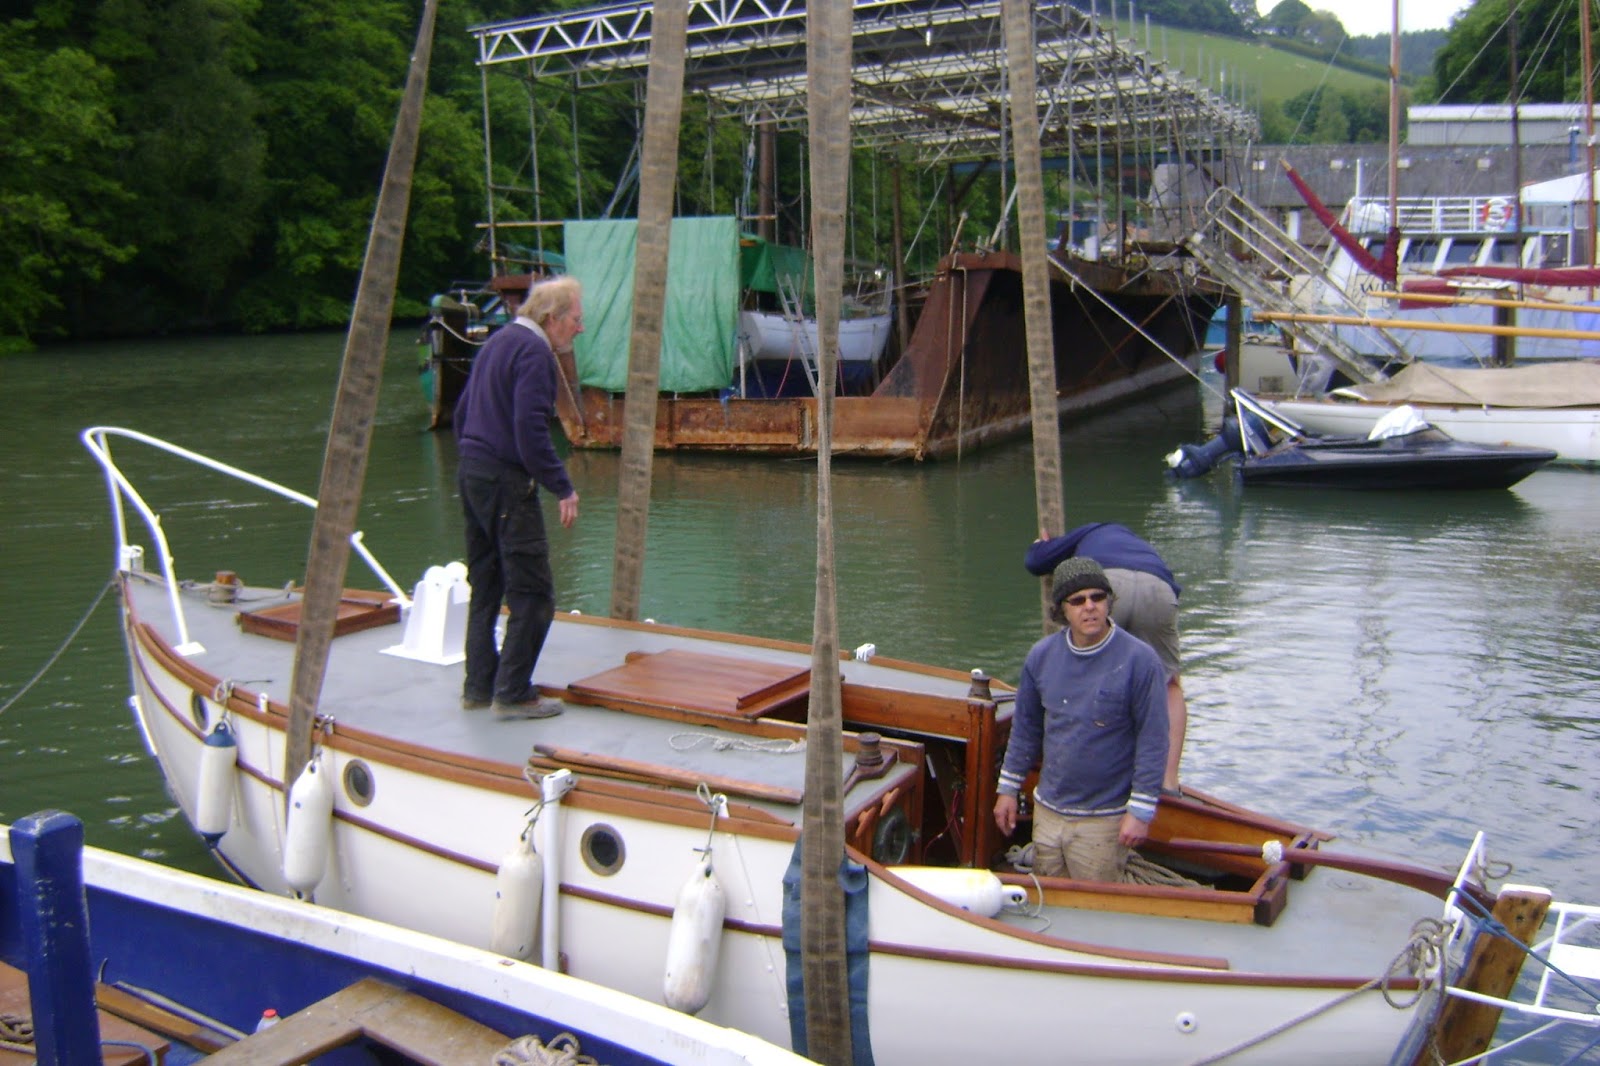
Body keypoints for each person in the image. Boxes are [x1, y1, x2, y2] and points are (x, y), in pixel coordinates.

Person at [993, 557, 1170, 882]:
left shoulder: (1141, 661)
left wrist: (1141, 811)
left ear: (1109, 602)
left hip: (1104, 820)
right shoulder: (1041, 657)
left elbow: (1153, 740)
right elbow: (1025, 730)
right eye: (1078, 600)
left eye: (1098, 597)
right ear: (1062, 609)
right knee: (1050, 901)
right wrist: (1008, 789)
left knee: (1095, 913)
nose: (1090, 607)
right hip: (1048, 813)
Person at [454, 276, 583, 721]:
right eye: (575, 320)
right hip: (507, 481)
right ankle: (512, 693)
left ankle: (479, 685)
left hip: (472, 470)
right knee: (533, 592)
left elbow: (462, 412)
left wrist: (475, 460)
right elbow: (531, 433)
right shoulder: (534, 353)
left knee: (486, 585)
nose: (579, 329)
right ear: (552, 319)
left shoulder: (496, 343)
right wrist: (562, 486)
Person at [1024, 523, 1187, 794]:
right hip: (1159, 590)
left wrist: (1041, 545)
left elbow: (1035, 561)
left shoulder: (1090, 531)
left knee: (1085, 671)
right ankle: (1168, 783)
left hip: (1110, 586)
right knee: (1169, 684)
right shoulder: (1140, 546)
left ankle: (1081, 771)